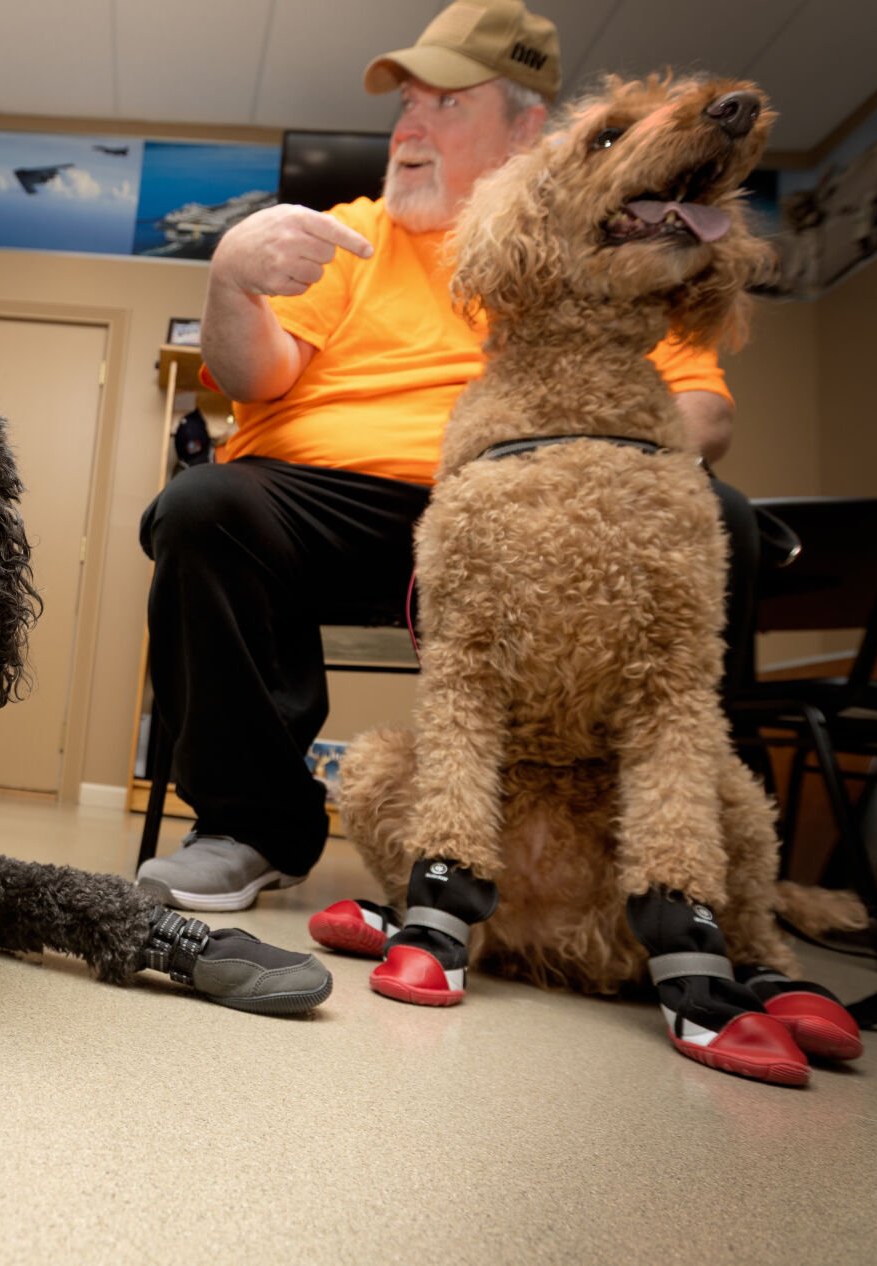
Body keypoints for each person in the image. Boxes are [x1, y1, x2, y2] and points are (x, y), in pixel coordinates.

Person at [136, 0, 750, 912]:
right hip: (338, 514)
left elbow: (700, 415)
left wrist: (555, 471)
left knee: (719, 515)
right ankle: (252, 825)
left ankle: (679, 859)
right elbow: (252, 376)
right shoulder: (348, 235)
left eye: (447, 105)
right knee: (204, 505)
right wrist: (229, 277)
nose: (410, 127)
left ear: (527, 130)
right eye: (407, 106)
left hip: (532, 516)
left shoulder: (605, 239)